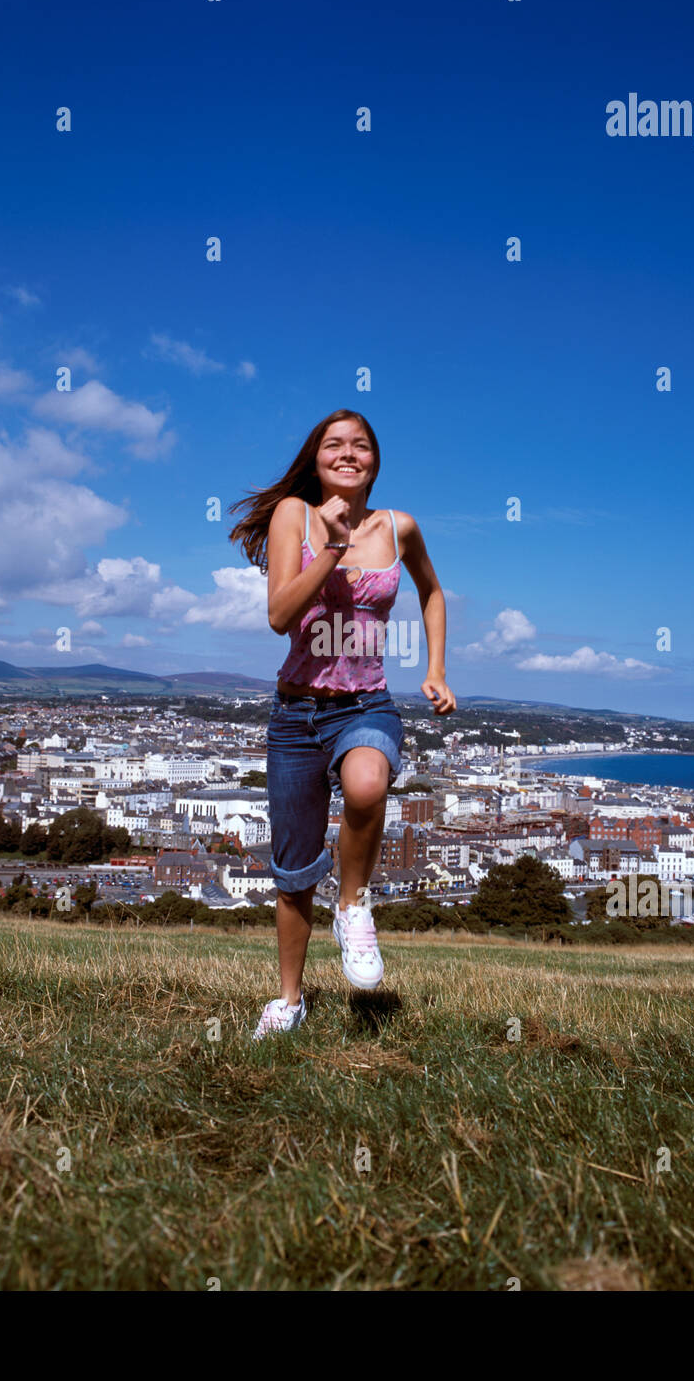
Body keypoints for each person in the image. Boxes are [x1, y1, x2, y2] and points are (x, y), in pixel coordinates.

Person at [227, 409, 456, 1040]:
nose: (348, 453)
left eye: (361, 446)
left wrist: (435, 669)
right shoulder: (293, 517)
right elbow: (279, 613)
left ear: (375, 462)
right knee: (294, 871)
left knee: (366, 787)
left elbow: (432, 592)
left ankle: (353, 903)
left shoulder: (397, 528)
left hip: (366, 706)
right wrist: (329, 545)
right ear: (316, 456)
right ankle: (290, 1000)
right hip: (296, 715)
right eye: (334, 444)